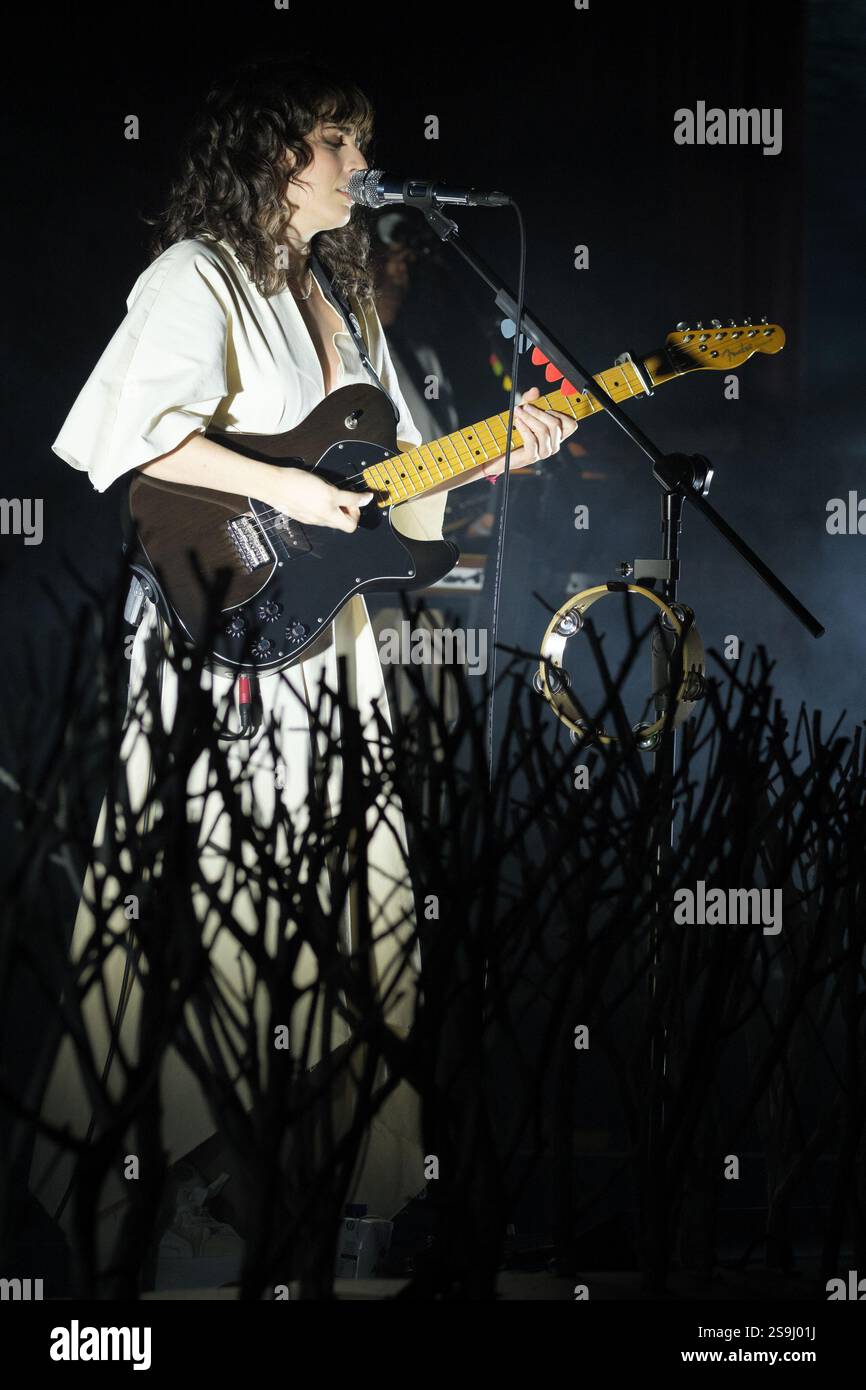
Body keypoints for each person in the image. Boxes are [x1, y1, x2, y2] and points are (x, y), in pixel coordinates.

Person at [28, 57, 577, 1279]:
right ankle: (147, 1188)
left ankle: (311, 1189)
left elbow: (392, 488)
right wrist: (276, 483)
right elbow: (130, 438)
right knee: (214, 906)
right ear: (276, 158)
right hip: (222, 637)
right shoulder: (197, 275)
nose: (357, 162)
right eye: (338, 140)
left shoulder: (346, 296)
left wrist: (502, 456)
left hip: (337, 647)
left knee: (366, 908)